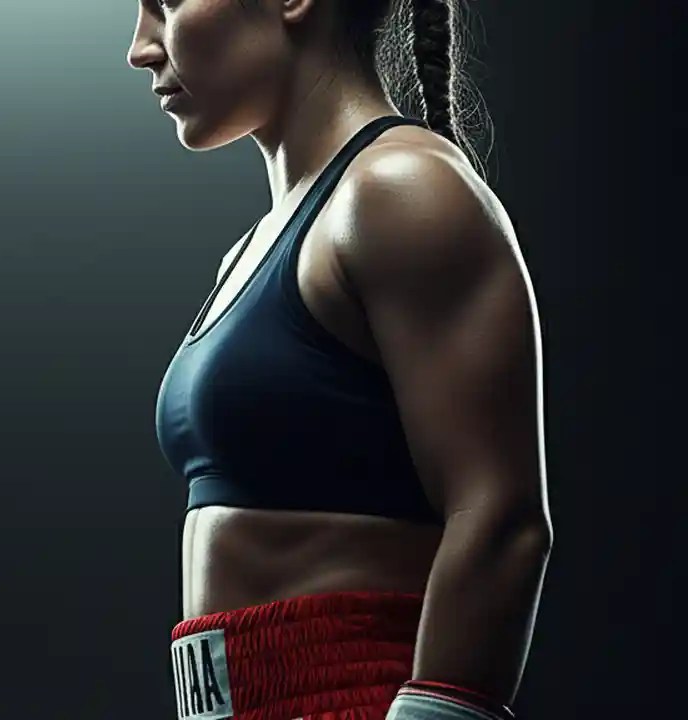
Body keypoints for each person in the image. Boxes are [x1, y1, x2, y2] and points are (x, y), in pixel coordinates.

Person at [128, 1, 552, 718]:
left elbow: (503, 518)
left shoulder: (399, 190)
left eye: (165, 3)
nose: (141, 47)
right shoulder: (264, 241)